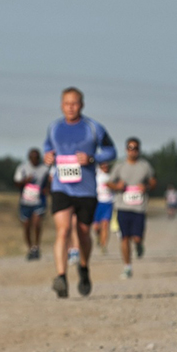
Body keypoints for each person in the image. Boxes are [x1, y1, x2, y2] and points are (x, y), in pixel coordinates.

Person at [43, 87, 117, 298]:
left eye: (74, 103)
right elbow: (47, 148)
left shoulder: (93, 128)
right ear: (61, 105)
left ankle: (83, 268)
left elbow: (111, 151)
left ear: (81, 105)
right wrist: (47, 156)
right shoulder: (54, 128)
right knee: (63, 230)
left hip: (86, 190)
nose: (70, 107)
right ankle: (61, 277)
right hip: (61, 187)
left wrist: (93, 159)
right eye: (67, 103)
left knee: (83, 233)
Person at [107, 138, 156, 279]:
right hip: (122, 206)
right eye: (130, 147)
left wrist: (146, 187)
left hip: (139, 208)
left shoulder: (145, 166)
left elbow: (153, 182)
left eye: (135, 148)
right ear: (126, 149)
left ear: (139, 150)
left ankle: (139, 244)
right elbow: (109, 182)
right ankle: (127, 267)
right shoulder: (120, 166)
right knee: (124, 237)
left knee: (136, 237)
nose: (133, 150)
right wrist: (117, 186)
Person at [13, 148, 50, 260]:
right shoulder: (22, 168)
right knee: (27, 226)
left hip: (39, 201)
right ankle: (30, 248)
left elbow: (50, 181)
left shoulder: (45, 169)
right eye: (32, 158)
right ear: (29, 158)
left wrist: (47, 189)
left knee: (37, 223)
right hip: (25, 201)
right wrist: (25, 181)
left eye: (37, 157)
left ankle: (36, 246)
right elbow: (16, 183)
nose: (35, 160)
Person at [92, 161, 114, 253]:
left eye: (106, 164)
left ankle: (103, 246)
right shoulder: (96, 175)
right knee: (96, 227)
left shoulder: (112, 176)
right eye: (103, 164)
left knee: (105, 225)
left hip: (108, 203)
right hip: (97, 202)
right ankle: (98, 236)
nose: (105, 166)